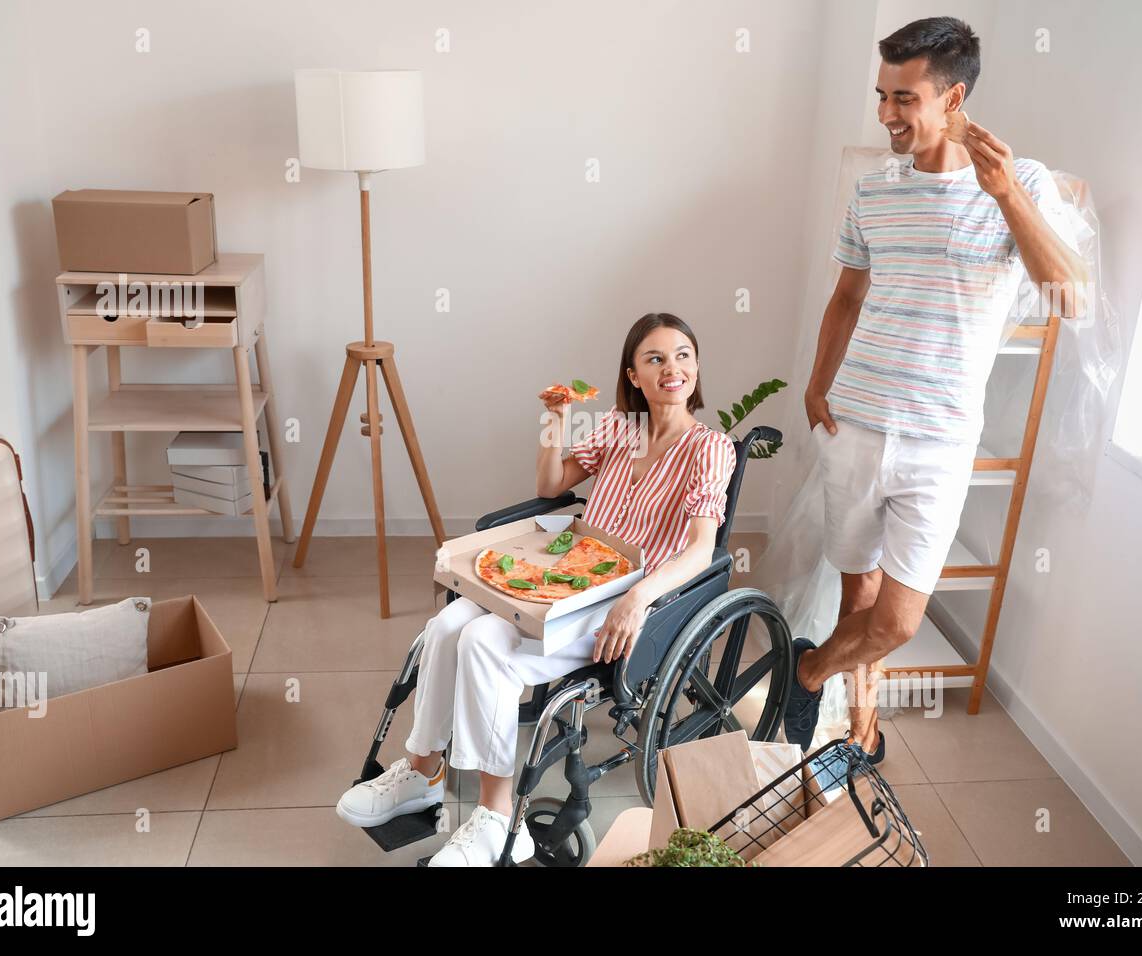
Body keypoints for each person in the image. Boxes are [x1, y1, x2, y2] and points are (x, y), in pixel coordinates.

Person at [787, 17, 1087, 758]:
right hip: (853, 424)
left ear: (953, 98)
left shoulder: (1025, 184)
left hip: (941, 440)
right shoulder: (874, 189)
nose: (887, 115)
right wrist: (817, 386)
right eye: (881, 95)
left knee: (894, 621)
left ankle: (809, 670)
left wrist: (1006, 193)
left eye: (904, 99)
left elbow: (1070, 297)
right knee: (857, 598)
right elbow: (847, 296)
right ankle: (860, 734)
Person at [336, 312, 737, 866]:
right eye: (656, 358)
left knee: (481, 644)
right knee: (448, 625)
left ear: (696, 368)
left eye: (683, 355)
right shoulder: (622, 429)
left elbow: (699, 549)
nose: (672, 368)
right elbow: (551, 485)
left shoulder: (710, 448)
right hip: (568, 575)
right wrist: (556, 420)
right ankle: (424, 771)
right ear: (633, 374)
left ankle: (499, 818)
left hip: (630, 595)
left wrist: (636, 599)